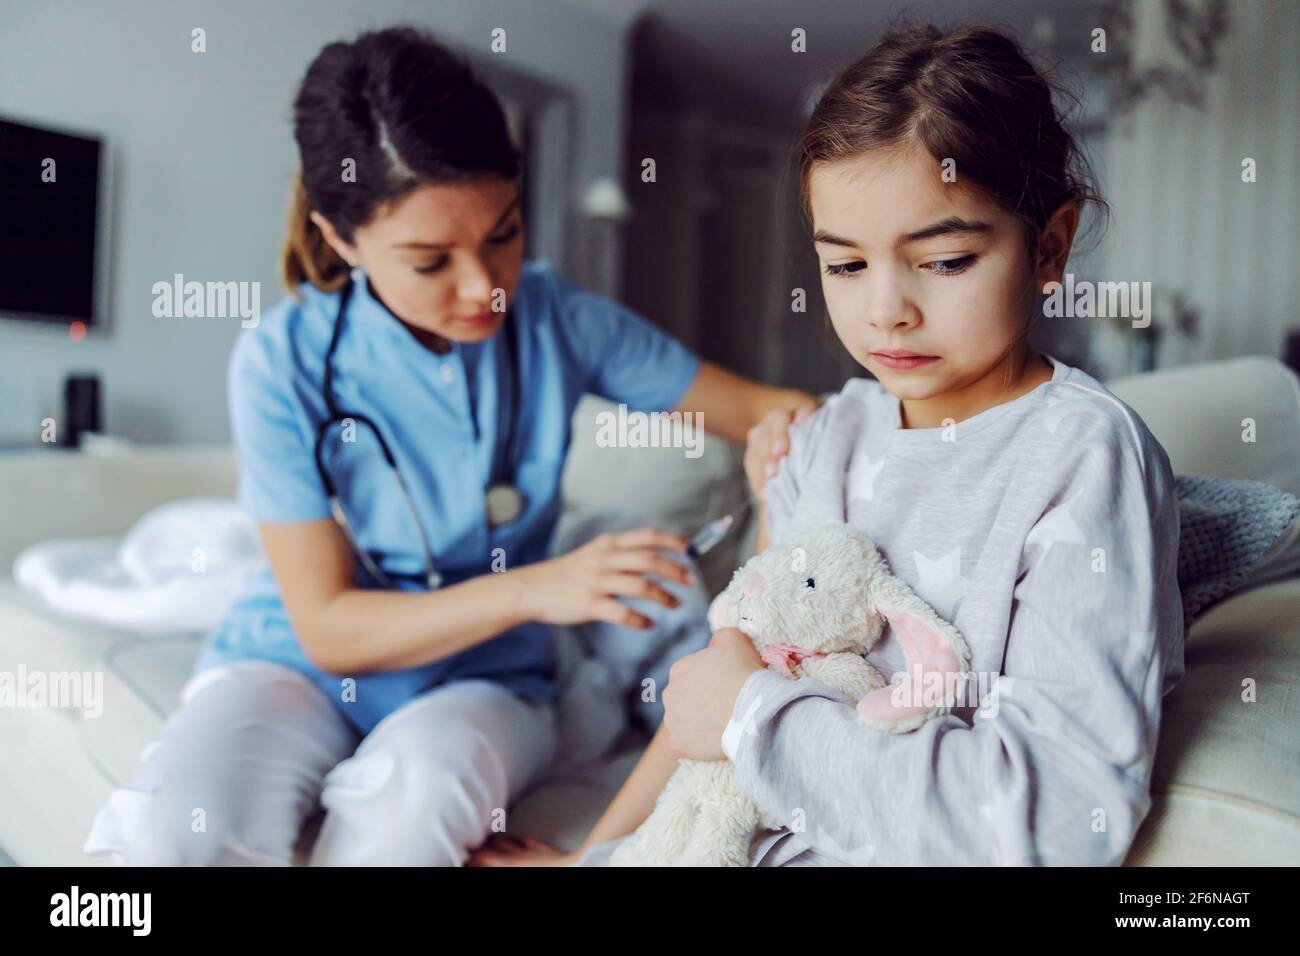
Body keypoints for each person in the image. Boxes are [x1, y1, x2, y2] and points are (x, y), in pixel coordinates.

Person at [83, 26, 816, 867]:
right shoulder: (280, 360)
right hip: (295, 665)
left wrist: (778, 443)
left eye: (503, 233)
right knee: (173, 831)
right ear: (341, 239)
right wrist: (541, 588)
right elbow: (328, 630)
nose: (485, 287)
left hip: (489, 681)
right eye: (431, 260)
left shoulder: (561, 319)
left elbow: (775, 409)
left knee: (413, 806)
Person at [477, 24, 1184, 867]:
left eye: (947, 259)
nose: (887, 309)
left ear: (1050, 246)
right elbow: (710, 699)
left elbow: (1061, 824)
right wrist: (595, 858)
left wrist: (751, 716)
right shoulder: (829, 439)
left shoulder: (1084, 455)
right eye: (845, 266)